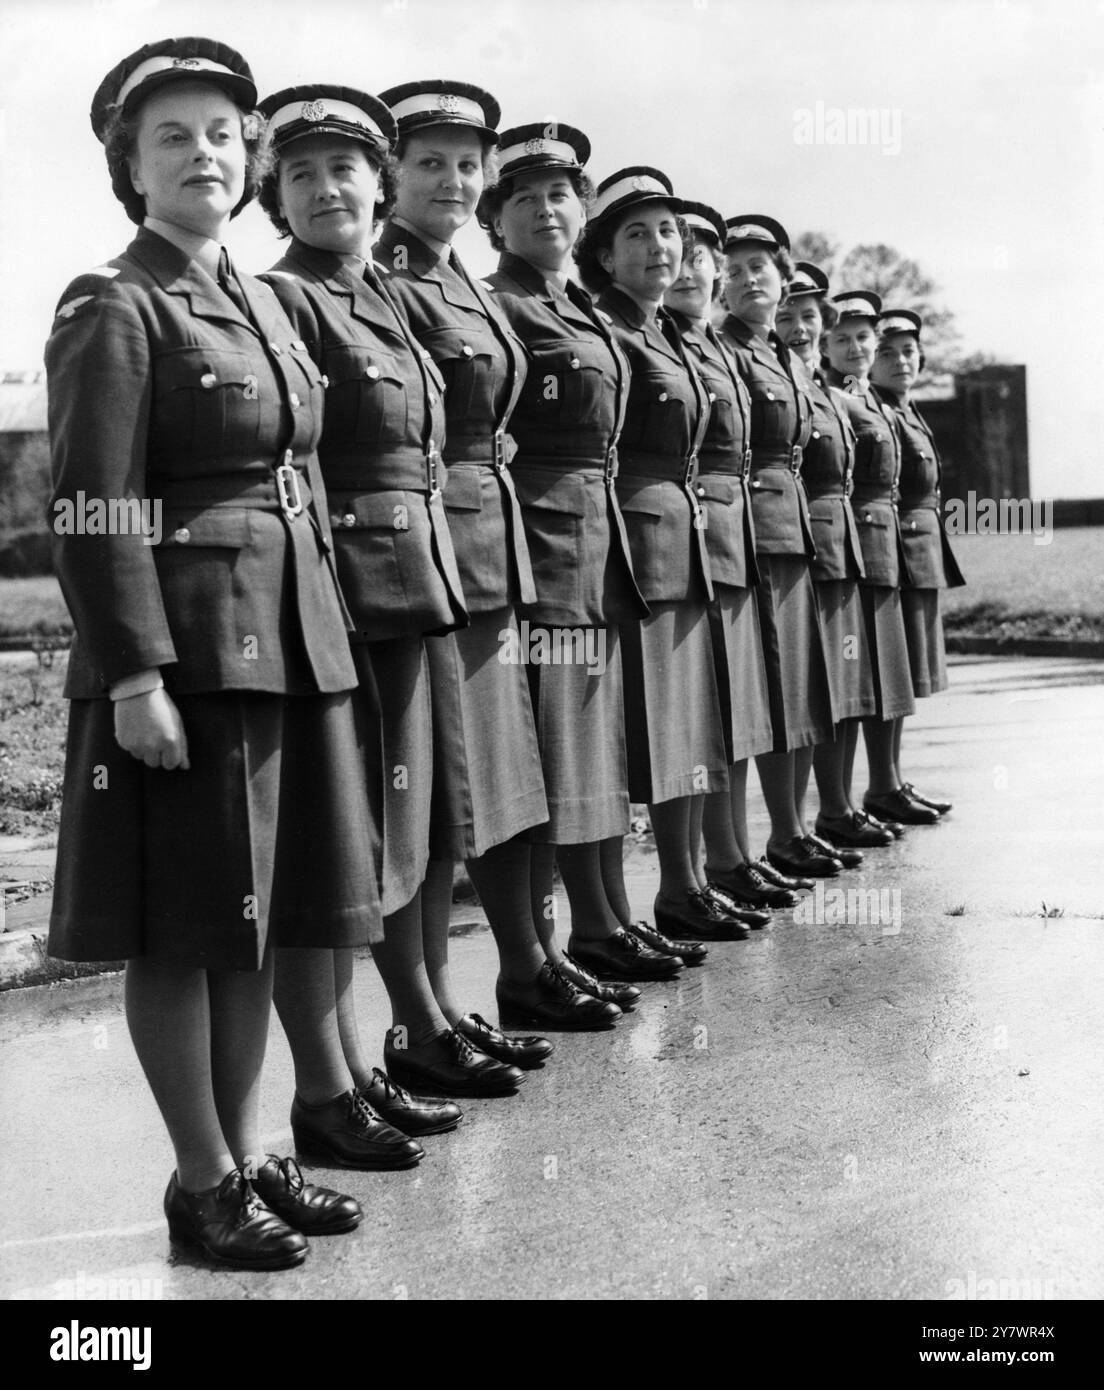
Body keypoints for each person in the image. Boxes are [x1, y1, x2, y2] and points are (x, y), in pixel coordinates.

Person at [46, 37, 374, 1269]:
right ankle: (198, 1180)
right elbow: (93, 503)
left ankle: (244, 1161)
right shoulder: (113, 302)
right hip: (186, 660)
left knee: (264, 914)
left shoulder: (262, 300)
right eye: (172, 137)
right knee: (185, 926)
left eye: (223, 136)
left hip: (286, 641)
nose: (204, 155)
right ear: (131, 169)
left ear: (249, 161)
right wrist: (134, 675)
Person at [256, 83, 472, 1162]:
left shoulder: (382, 294)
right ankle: (325, 1089)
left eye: (346, 169)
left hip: (416, 589)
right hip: (342, 599)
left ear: (377, 187)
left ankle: (378, 1057)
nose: (327, 188)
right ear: (274, 197)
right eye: (300, 175)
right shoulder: (283, 298)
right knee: (338, 855)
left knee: (409, 835)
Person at [372, 79, 561, 1089]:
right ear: (391, 176)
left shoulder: (464, 281)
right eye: (427, 161)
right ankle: (418, 1019)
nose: (450, 179)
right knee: (430, 799)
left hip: (489, 551)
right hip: (430, 556)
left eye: (463, 162)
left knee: (474, 791)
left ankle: (450, 1004)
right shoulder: (389, 278)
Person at [478, 125, 696, 995]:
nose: (546, 210)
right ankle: (550, 950)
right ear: (495, 221)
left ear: (581, 209)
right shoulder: (500, 304)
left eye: (561, 194)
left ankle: (603, 920)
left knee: (590, 747)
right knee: (549, 756)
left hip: (598, 548)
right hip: (538, 550)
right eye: (523, 199)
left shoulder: (576, 308)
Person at [576, 167, 745, 945]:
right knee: (608, 744)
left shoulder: (664, 330)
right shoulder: (602, 325)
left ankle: (683, 886)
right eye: (636, 234)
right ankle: (603, 920)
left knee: (679, 731)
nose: (660, 247)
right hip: (626, 551)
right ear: (605, 256)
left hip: (681, 545)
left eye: (669, 232)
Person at [662, 202, 785, 920]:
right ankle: (697, 872)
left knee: (728, 710)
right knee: (696, 717)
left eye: (702, 255)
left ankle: (731, 857)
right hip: (686, 537)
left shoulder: (709, 343)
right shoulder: (666, 336)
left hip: (727, 536)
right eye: (681, 254)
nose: (690, 267)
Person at [717, 217, 842, 883]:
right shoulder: (723, 347)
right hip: (751, 534)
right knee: (749, 699)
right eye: (733, 270)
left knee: (794, 690)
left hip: (793, 533)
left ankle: (790, 832)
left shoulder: (786, 357)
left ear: (783, 275)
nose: (747, 280)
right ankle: (735, 853)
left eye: (759, 267)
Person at [773, 265, 891, 850]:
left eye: (809, 317)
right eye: (787, 315)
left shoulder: (817, 386)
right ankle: (794, 828)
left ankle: (833, 811)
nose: (798, 328)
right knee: (806, 693)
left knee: (839, 689)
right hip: (805, 547)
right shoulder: (784, 379)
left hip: (838, 543)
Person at [822, 292, 930, 826]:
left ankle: (882, 788)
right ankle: (836, 807)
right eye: (843, 338)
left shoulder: (868, 396)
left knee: (885, 677)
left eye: (866, 338)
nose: (858, 347)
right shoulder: (832, 395)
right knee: (851, 685)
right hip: (851, 547)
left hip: (882, 546)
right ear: (826, 344)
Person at [871, 308, 964, 815]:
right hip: (896, 550)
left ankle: (892, 782)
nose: (900, 361)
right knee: (890, 676)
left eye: (907, 351)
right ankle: (882, 785)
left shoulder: (907, 408)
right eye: (886, 352)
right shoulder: (877, 409)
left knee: (904, 676)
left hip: (918, 550)